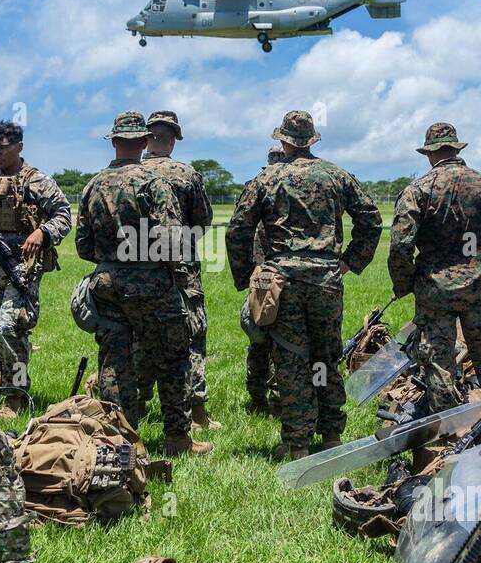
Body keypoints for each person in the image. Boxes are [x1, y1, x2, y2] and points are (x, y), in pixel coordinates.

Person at [226, 111, 381, 459]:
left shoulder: (266, 179)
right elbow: (370, 219)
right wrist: (349, 261)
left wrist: (248, 275)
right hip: (326, 280)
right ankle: (330, 436)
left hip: (283, 281)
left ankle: (296, 443)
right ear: (311, 140)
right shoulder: (335, 175)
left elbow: (238, 228)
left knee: (292, 359)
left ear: (282, 140)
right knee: (325, 358)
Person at [76, 111, 209, 454]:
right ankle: (178, 438)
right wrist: (178, 278)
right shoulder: (154, 183)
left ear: (115, 141)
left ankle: (121, 438)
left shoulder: (92, 185)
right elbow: (173, 238)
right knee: (172, 358)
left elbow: (83, 246)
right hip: (151, 282)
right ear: (142, 141)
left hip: (106, 282)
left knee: (115, 361)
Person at [388, 122, 481, 415]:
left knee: (438, 361)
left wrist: (404, 283)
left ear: (429, 153)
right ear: (456, 149)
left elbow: (400, 246)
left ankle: (447, 430)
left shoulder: (417, 190)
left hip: (434, 289)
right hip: (479, 286)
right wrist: (474, 258)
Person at [0, 121, 71, 422]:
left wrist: (43, 233)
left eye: (3, 147)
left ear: (20, 146)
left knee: (9, 329)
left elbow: (63, 214)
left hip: (21, 268)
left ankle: (16, 393)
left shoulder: (37, 181)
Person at [135, 110, 219, 429]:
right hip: (182, 265)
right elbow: (202, 220)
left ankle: (138, 404)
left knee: (140, 333)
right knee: (191, 333)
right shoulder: (186, 174)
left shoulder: (131, 171)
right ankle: (196, 411)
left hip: (137, 265)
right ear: (172, 140)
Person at [244, 144, 284, 414]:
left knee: (260, 340)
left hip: (260, 276)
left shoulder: (257, 186)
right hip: (279, 276)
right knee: (277, 341)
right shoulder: (282, 188)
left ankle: (258, 395)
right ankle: (273, 396)